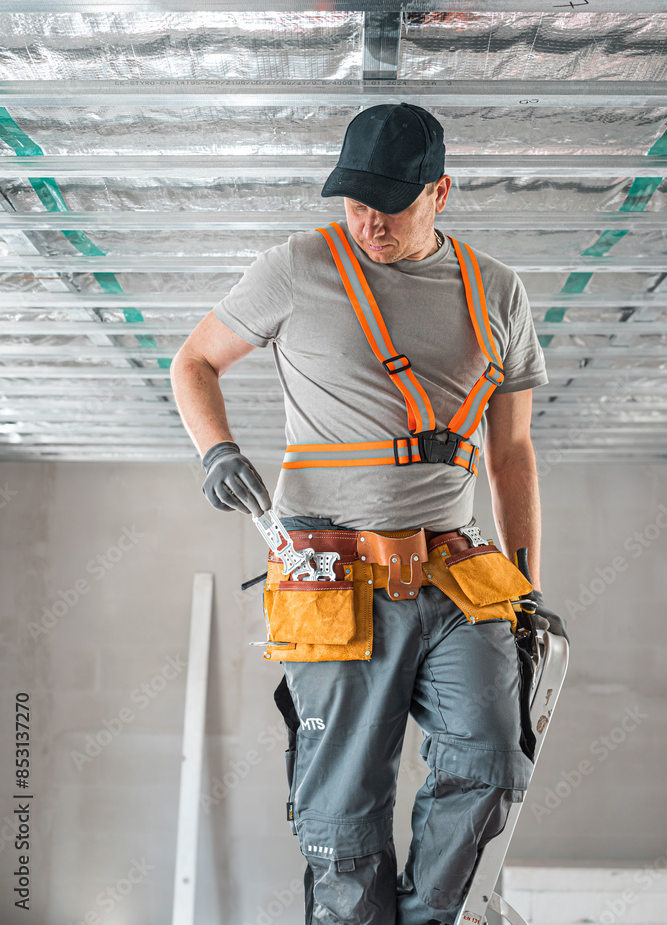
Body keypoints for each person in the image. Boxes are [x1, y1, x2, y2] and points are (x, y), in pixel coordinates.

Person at [170, 103, 550, 925]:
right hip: (333, 573)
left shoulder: (500, 293)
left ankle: (425, 919)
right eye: (352, 201)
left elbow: (510, 452)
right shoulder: (298, 267)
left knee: (491, 762)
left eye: (389, 201)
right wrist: (216, 449)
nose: (367, 219)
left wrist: (523, 584)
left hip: (457, 574)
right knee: (341, 809)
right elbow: (194, 359)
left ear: (439, 192)